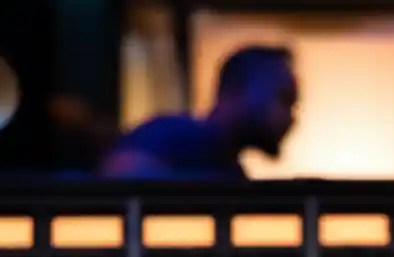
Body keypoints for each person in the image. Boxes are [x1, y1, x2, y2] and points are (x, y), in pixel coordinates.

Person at [101, 45, 298, 179]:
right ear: (236, 90)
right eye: (284, 98)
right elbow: (121, 175)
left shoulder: (232, 173)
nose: (291, 118)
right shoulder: (175, 135)